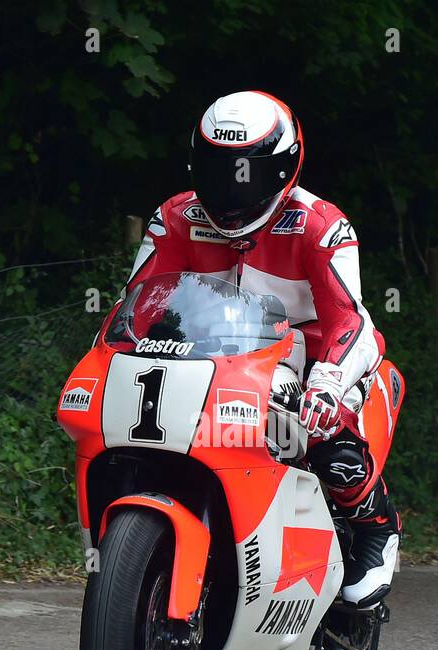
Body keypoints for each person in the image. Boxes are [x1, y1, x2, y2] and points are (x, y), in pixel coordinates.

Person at [126, 90, 399, 607]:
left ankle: (375, 527)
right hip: (205, 359)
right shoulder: (174, 217)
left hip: (313, 359)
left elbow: (350, 321)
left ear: (281, 169)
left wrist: (328, 383)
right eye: (216, 172)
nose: (230, 192)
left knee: (323, 433)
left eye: (244, 175)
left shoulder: (321, 226)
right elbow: (138, 303)